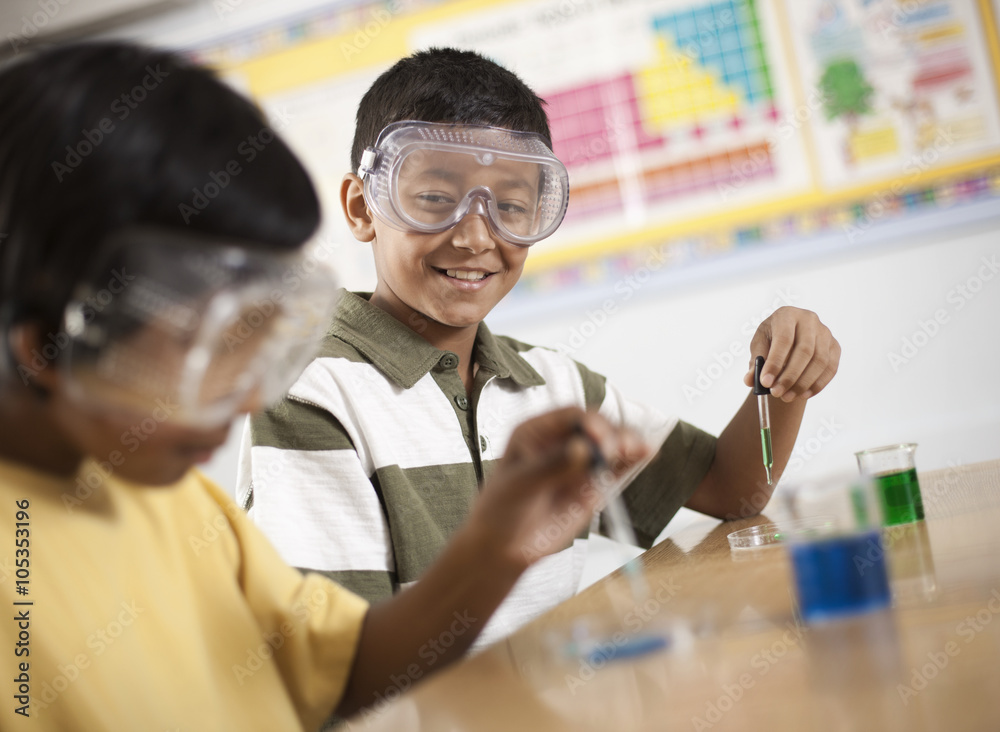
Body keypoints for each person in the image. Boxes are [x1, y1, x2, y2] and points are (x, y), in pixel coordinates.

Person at [0, 41, 647, 730]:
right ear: (51, 344)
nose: (251, 396)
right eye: (209, 342)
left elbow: (350, 670)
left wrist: (494, 547)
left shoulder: (174, 500)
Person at [238, 48, 842, 648]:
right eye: (435, 198)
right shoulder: (308, 394)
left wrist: (783, 377)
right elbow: (338, 663)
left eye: (510, 207)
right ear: (362, 206)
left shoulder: (550, 384)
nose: (477, 236)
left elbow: (733, 490)